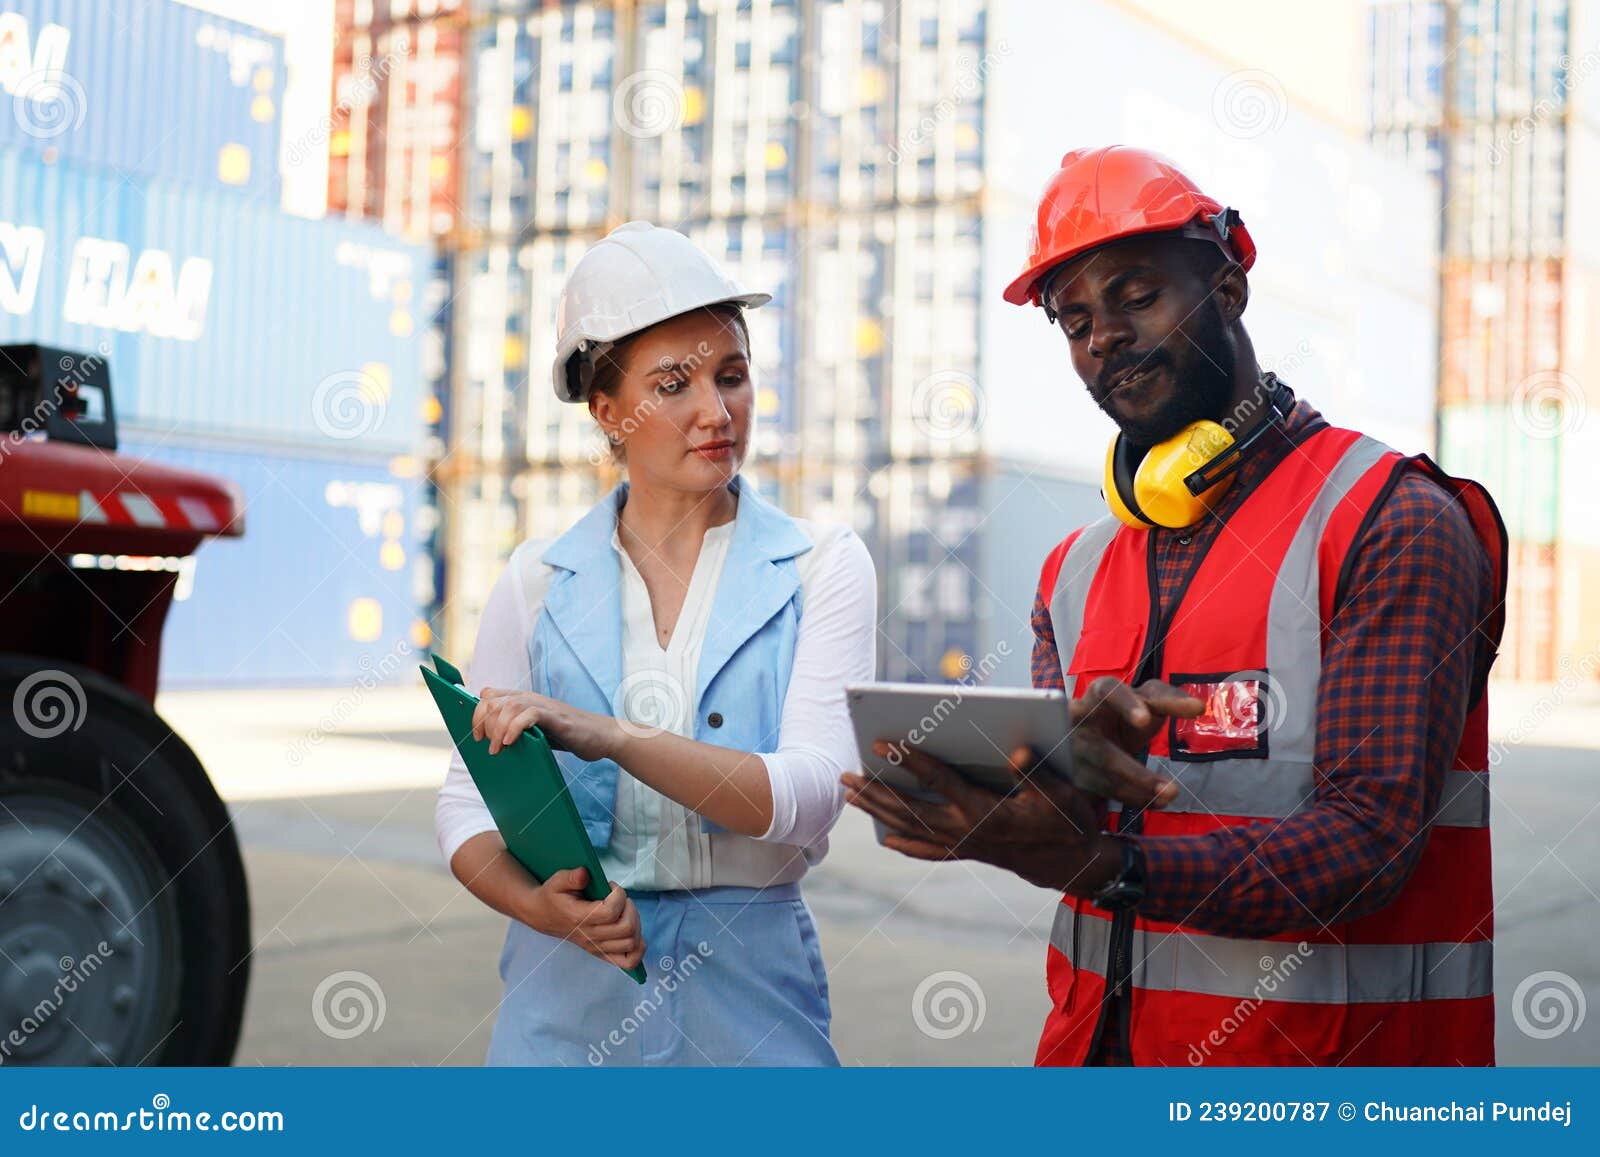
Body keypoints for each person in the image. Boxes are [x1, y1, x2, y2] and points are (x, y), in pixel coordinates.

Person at [844, 146, 1507, 1066]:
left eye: (1135, 295)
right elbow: (1076, 835)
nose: (1104, 336)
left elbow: (1369, 841)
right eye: (1074, 320)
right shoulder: (1070, 574)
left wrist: (1102, 864)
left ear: (1228, 289)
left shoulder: (1388, 519)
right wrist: (1007, 808)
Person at [435, 221, 876, 1066]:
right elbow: (464, 804)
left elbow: (813, 792)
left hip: (752, 991)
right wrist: (543, 909)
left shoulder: (822, 567)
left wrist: (608, 733)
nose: (716, 411)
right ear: (608, 410)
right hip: (566, 990)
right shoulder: (536, 582)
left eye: (733, 375)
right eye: (674, 384)